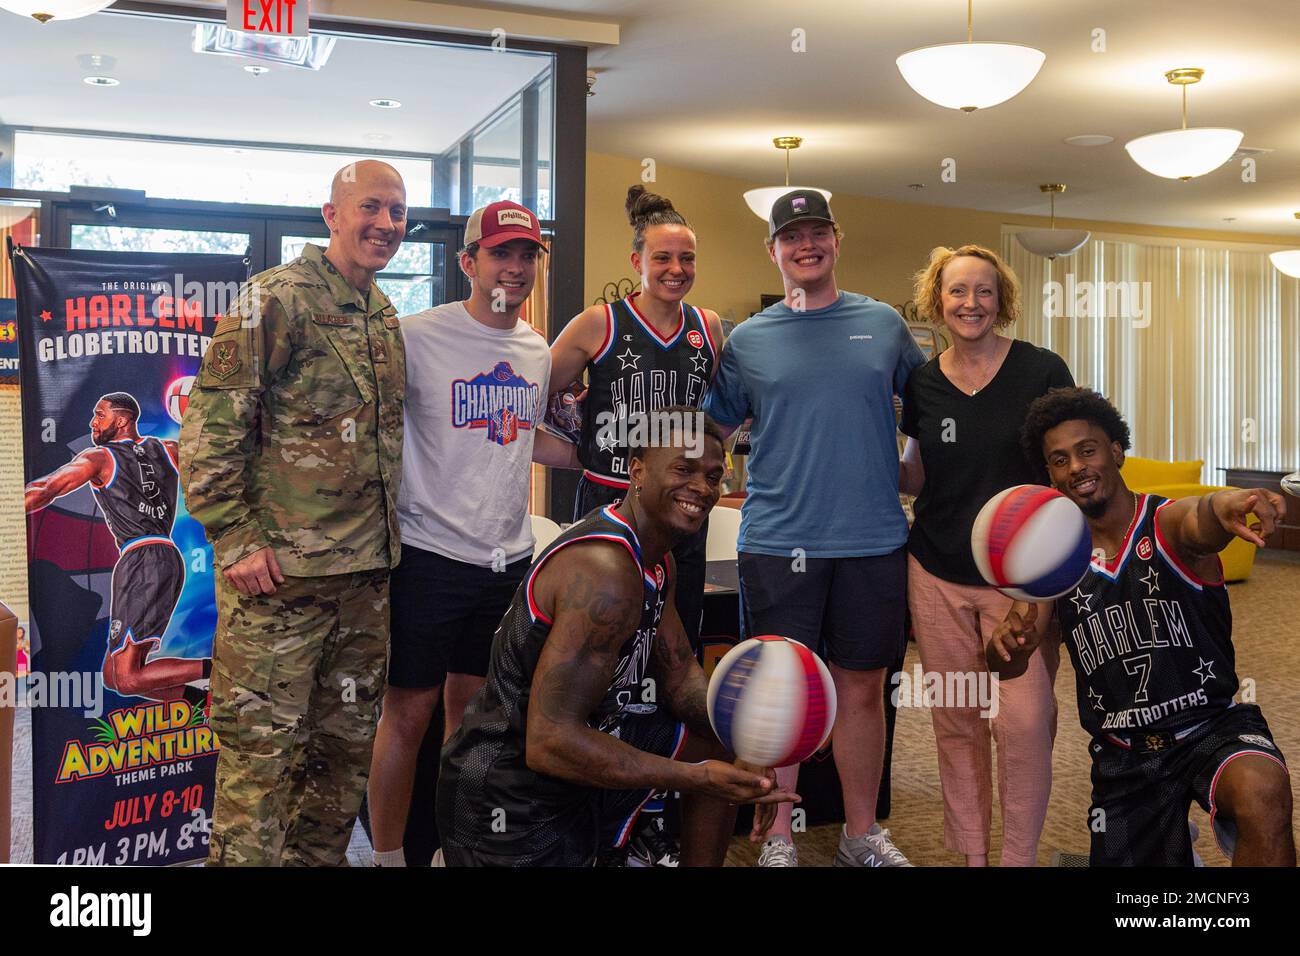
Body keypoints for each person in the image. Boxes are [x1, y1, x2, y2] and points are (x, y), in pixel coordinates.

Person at [436, 409, 796, 866]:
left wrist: (747, 743)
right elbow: (549, 743)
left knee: (718, 739)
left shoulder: (655, 555)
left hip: (578, 750)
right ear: (637, 471)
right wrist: (695, 777)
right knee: (705, 764)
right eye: (683, 470)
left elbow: (682, 675)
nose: (703, 489)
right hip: (508, 792)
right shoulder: (606, 574)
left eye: (712, 476)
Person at [179, 160, 408, 867]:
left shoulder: (383, 314)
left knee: (339, 771)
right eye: (371, 207)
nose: (387, 224)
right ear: (331, 215)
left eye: (398, 212)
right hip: (278, 590)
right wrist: (237, 541)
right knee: (261, 773)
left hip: (364, 586)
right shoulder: (273, 300)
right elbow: (208, 434)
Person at [703, 189, 925, 867]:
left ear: (836, 238)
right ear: (772, 251)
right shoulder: (749, 340)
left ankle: (861, 833)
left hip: (872, 540)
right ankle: (777, 836)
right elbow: (712, 431)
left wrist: (912, 473)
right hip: (776, 541)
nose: (806, 245)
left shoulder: (883, 324)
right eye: (791, 236)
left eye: (817, 232)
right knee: (780, 689)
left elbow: (931, 410)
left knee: (862, 688)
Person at [988, 387, 1294, 866]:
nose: (1076, 468)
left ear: (1116, 451)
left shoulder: (1165, 522)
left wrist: (1226, 504)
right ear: (1048, 474)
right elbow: (1005, 667)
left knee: (1263, 789)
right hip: (1124, 756)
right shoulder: (1053, 559)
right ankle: (1176, 843)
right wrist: (1007, 647)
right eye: (1059, 460)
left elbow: (1202, 517)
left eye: (1087, 451)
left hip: (1211, 726)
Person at [366, 200, 579, 867]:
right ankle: (389, 855)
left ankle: (453, 848)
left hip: (508, 560)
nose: (514, 268)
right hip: (430, 556)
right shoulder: (416, 336)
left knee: (473, 721)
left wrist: (592, 451)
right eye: (500, 254)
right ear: (468, 262)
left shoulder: (536, 349)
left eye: (526, 255)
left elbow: (521, 436)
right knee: (407, 716)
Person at [897, 245, 1075, 866]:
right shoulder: (921, 382)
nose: (970, 303)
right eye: (957, 292)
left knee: (1023, 723)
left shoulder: (1041, 371)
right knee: (956, 721)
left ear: (1002, 301)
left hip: (1021, 580)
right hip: (936, 569)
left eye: (983, 292)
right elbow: (918, 475)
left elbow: (1068, 470)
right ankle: (973, 856)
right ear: (936, 300)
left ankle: (1017, 859)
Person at [548, 185, 723, 653]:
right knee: (602, 627)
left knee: (676, 628)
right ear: (636, 261)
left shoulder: (707, 326)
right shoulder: (599, 323)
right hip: (612, 494)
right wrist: (574, 449)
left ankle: (669, 727)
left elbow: (717, 416)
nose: (676, 269)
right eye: (662, 257)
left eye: (687, 258)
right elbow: (534, 395)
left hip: (683, 499)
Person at [25, 392, 206, 705]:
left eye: (100, 414)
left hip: (142, 559)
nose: (93, 423)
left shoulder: (99, 458)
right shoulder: (169, 449)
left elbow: (47, 488)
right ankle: (204, 700)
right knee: (112, 676)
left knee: (126, 676)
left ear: (121, 420)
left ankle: (223, 670)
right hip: (164, 556)